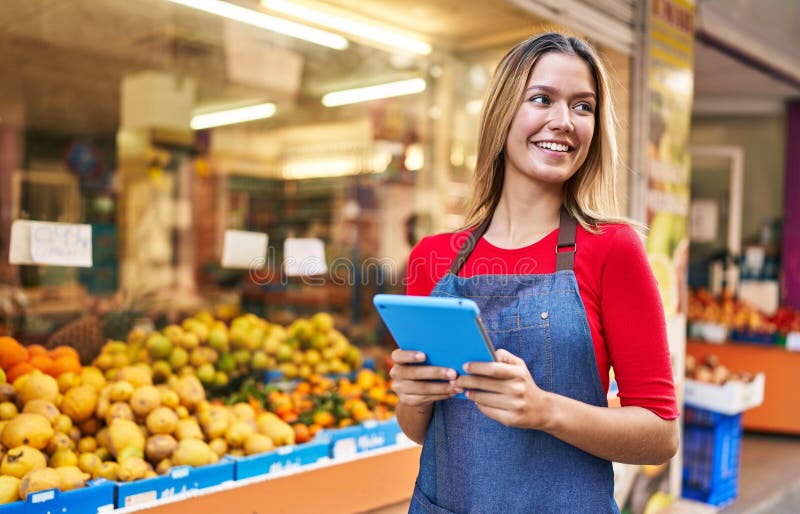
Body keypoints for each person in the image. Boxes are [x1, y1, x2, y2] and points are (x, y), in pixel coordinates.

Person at [390, 32, 679, 513]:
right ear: (503, 113)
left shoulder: (612, 249)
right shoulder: (432, 259)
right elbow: (422, 429)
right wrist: (413, 397)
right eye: (541, 99)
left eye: (582, 107)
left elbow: (660, 435)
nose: (563, 121)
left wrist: (546, 411)